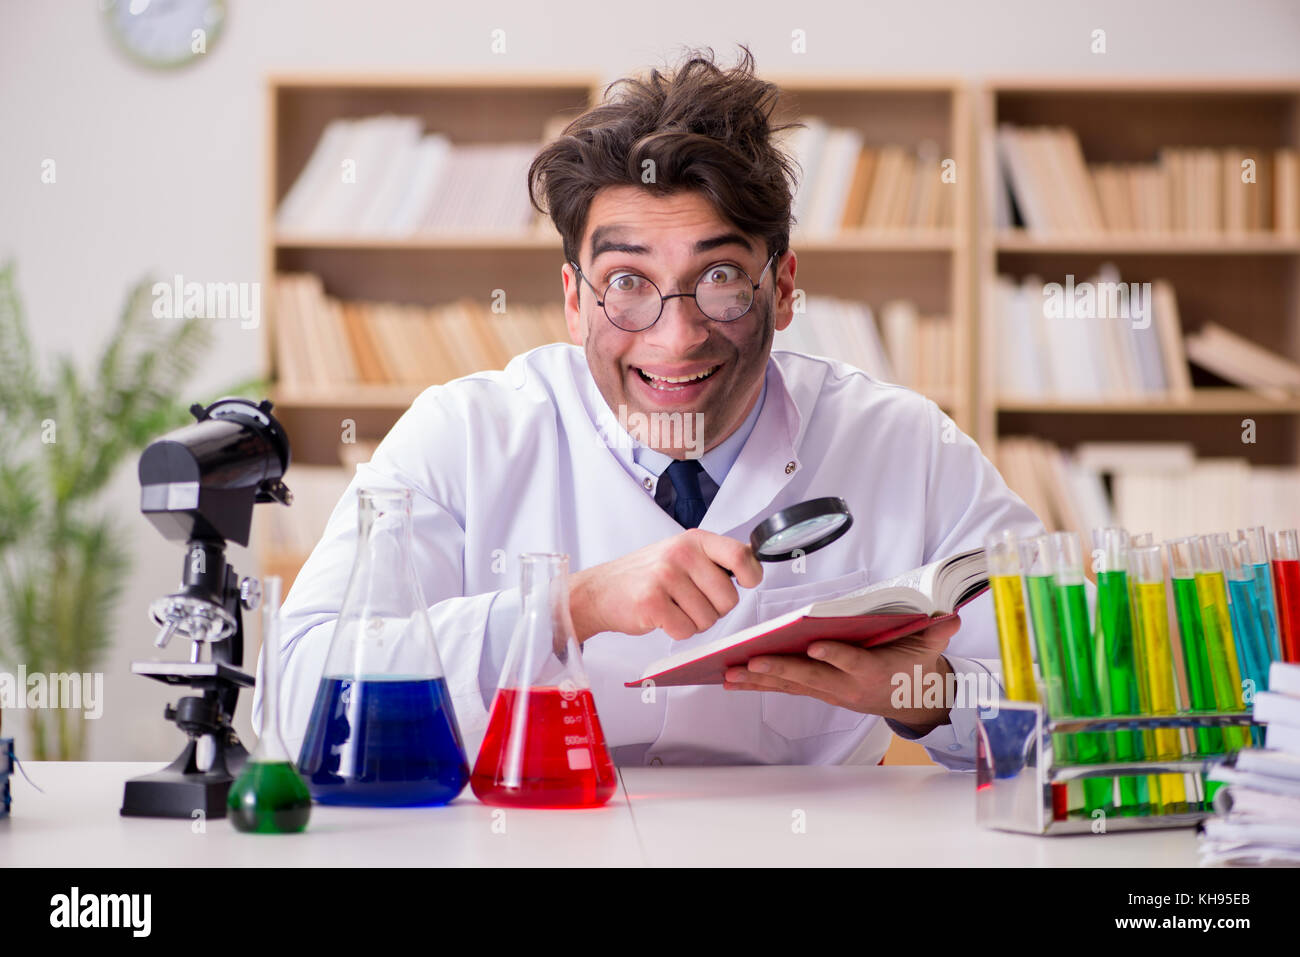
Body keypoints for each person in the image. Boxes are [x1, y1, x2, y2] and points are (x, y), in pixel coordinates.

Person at [255, 45, 1042, 769]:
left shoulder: (906, 446)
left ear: (785, 287)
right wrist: (568, 609)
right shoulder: (463, 436)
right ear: (574, 300)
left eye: (723, 279)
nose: (676, 337)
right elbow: (293, 706)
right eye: (628, 281)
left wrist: (927, 695)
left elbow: (1076, 716)